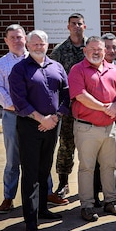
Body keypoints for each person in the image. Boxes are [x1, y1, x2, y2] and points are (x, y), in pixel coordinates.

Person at [0, 25, 64, 213]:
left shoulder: (40, 59)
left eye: (20, 37)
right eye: (12, 38)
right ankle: (9, 196)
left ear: (26, 39)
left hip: (41, 118)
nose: (17, 41)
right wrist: (23, 108)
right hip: (13, 115)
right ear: (6, 41)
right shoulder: (1, 64)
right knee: (13, 157)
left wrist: (44, 117)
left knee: (42, 158)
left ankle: (45, 194)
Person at [8, 30, 69, 231]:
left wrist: (55, 117)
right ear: (28, 44)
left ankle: (43, 209)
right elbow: (19, 101)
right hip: (29, 126)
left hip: (52, 124)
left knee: (45, 169)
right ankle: (31, 219)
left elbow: (66, 94)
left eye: (41, 43)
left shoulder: (56, 67)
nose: (38, 46)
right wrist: (40, 119)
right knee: (31, 172)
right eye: (34, 43)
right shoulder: (19, 69)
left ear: (47, 44)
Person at [68, 36, 116, 222]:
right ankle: (87, 205)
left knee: (110, 166)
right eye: (92, 49)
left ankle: (111, 201)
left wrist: (115, 106)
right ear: (85, 51)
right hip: (87, 128)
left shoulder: (113, 69)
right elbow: (80, 95)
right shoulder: (78, 70)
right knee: (87, 168)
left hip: (110, 128)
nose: (96, 52)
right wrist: (104, 107)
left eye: (100, 50)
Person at [49, 12, 86, 199]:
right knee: (66, 146)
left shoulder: (92, 47)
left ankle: (95, 185)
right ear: (68, 27)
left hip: (90, 107)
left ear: (84, 26)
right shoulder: (59, 51)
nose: (76, 26)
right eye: (73, 24)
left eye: (79, 23)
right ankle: (63, 183)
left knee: (91, 146)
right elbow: (53, 78)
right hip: (69, 107)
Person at [94, 33, 116, 204]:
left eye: (114, 47)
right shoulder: (92, 67)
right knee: (96, 157)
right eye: (107, 47)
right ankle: (95, 193)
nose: (111, 50)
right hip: (97, 117)